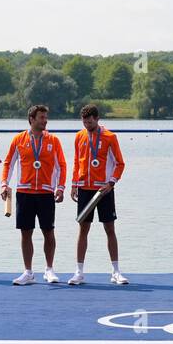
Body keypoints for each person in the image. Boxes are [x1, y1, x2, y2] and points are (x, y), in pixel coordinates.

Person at [0, 104, 66, 286]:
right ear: (32, 119)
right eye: (41, 118)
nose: (45, 121)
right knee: (25, 233)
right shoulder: (19, 140)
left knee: (48, 232)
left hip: (46, 192)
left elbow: (62, 165)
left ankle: (49, 269)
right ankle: (28, 272)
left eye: (46, 117)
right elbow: (8, 164)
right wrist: (4, 184)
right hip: (24, 192)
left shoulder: (53, 140)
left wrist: (60, 188)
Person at [68, 104, 129, 285]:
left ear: (97, 119)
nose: (87, 125)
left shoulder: (110, 137)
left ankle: (116, 272)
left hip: (104, 190)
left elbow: (120, 163)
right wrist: (73, 185)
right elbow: (76, 162)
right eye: (84, 122)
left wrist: (111, 182)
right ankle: (79, 272)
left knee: (109, 229)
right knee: (83, 229)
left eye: (90, 122)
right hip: (84, 189)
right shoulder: (79, 136)